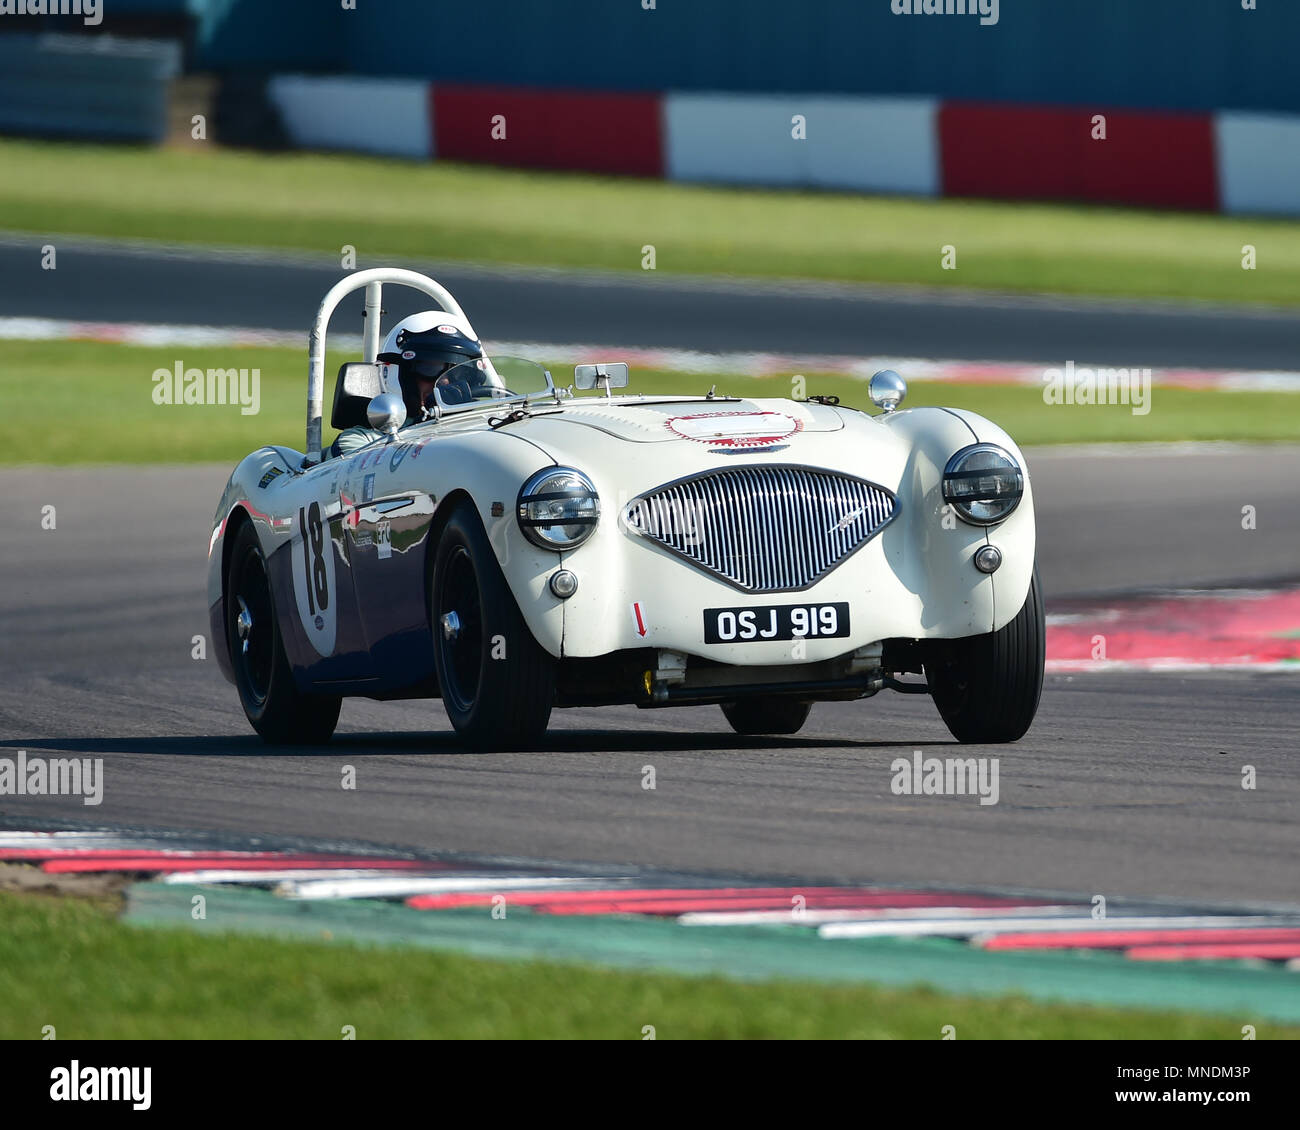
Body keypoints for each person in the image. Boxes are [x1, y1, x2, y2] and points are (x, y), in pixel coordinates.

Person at [330, 311, 495, 457]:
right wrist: (424, 424)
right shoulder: (361, 441)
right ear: (398, 374)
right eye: (430, 368)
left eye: (459, 372)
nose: (445, 381)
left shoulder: (489, 429)